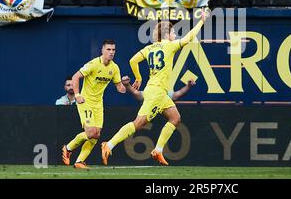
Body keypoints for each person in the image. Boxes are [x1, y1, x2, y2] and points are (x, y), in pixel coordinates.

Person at [101, 9, 208, 166]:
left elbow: (133, 61)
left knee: (175, 118)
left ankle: (158, 150)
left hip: (159, 92)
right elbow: (189, 38)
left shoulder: (150, 48)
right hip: (156, 92)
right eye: (173, 32)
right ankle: (108, 145)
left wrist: (139, 77)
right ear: (167, 34)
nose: (175, 35)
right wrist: (202, 21)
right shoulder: (169, 46)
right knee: (138, 123)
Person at [61, 39, 126, 169]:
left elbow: (120, 87)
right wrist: (78, 95)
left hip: (98, 104)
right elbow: (75, 77)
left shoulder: (115, 68)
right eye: (108, 49)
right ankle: (67, 148)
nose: (111, 52)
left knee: (96, 135)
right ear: (102, 50)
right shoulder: (94, 64)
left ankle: (79, 161)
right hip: (85, 101)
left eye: (113, 50)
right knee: (91, 133)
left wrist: (126, 85)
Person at [122, 75, 196, 102]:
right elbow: (136, 94)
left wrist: (188, 86)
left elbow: (177, 94)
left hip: (161, 120)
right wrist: (127, 84)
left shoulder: (164, 93)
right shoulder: (149, 92)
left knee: (176, 119)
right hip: (149, 117)